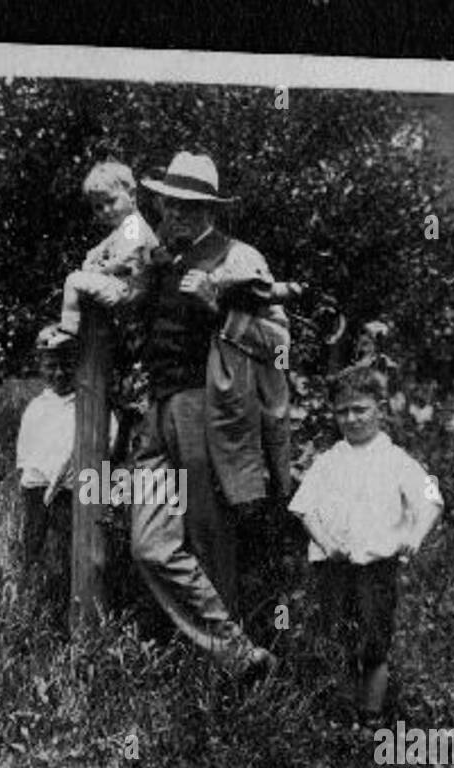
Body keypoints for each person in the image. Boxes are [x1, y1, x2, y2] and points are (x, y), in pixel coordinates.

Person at [127, 150, 289, 679]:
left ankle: (228, 676)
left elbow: (280, 343)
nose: (179, 216)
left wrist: (218, 306)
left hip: (207, 411)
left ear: (210, 212)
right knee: (149, 544)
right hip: (155, 411)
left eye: (192, 208)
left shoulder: (238, 258)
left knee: (208, 535)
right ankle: (239, 655)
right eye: (172, 205)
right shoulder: (158, 260)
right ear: (161, 205)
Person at [287, 367, 444, 716]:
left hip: (377, 569)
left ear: (381, 409)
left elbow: (431, 499)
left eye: (360, 409)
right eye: (343, 411)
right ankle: (343, 715)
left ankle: (371, 718)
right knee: (337, 638)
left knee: (374, 643)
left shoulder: (397, 460)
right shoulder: (328, 461)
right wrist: (327, 543)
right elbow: (303, 509)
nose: (352, 418)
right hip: (335, 568)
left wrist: (415, 536)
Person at [17, 324, 120, 613]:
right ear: (40, 366)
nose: (59, 373)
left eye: (67, 365)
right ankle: (34, 610)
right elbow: (26, 461)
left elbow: (108, 454)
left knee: (70, 559)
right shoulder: (36, 408)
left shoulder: (92, 406)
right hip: (38, 494)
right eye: (51, 366)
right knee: (35, 552)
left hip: (74, 496)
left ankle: (73, 613)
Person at [58, 160, 158, 337]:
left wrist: (102, 269)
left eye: (111, 201)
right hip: (124, 288)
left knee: (73, 281)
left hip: (130, 289)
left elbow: (129, 257)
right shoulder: (121, 228)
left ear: (132, 195)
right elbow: (98, 249)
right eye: (98, 207)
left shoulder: (134, 225)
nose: (106, 210)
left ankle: (69, 330)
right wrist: (92, 259)